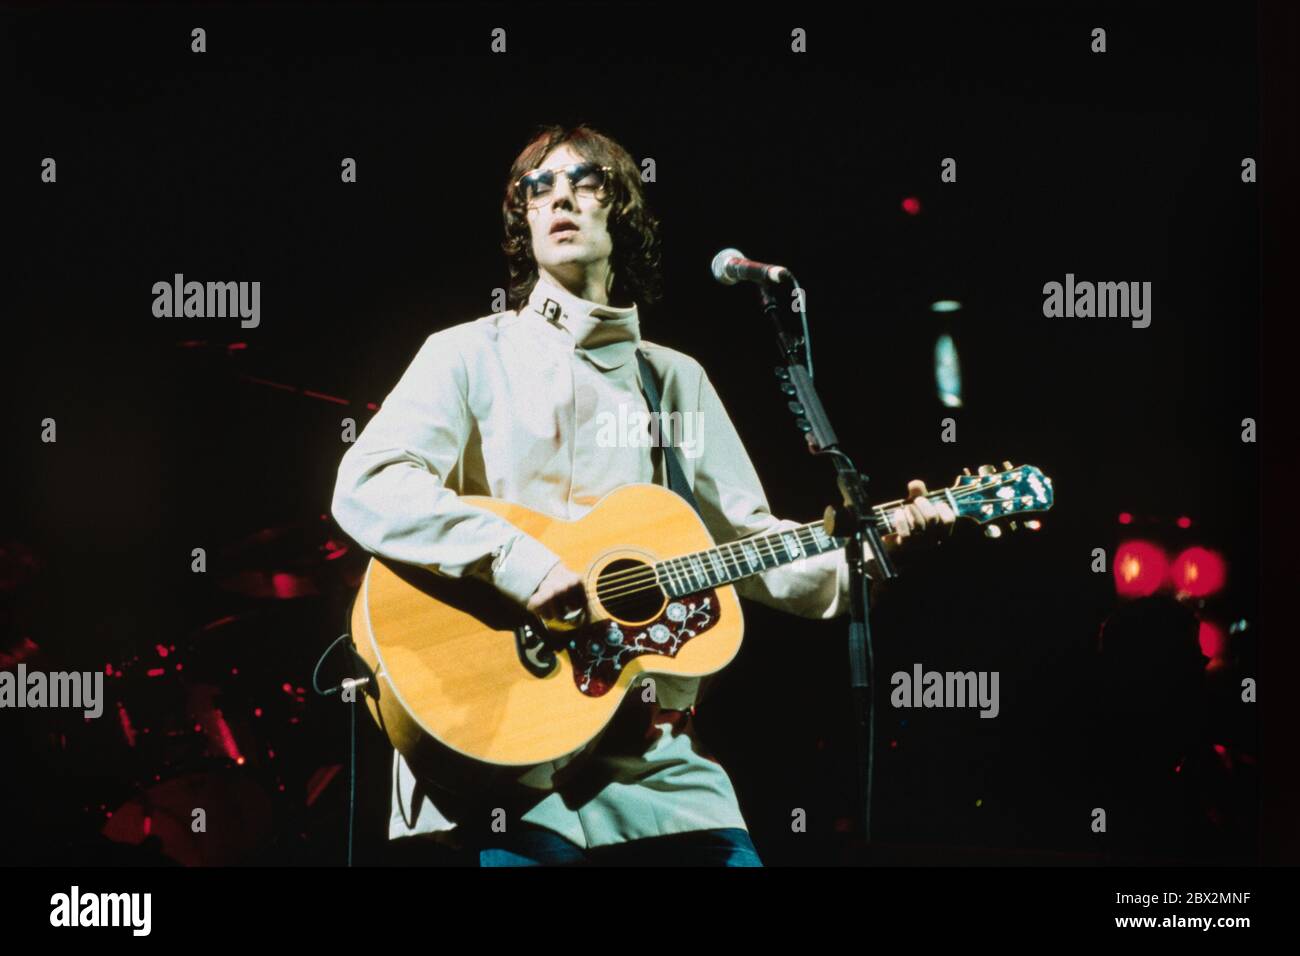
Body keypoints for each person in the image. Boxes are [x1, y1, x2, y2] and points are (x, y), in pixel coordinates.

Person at [330, 124, 954, 866]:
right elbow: (369, 482)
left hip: (650, 758)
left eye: (583, 181)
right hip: (494, 745)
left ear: (619, 210)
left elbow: (748, 546)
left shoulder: (672, 379)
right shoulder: (467, 355)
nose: (558, 196)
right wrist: (517, 563)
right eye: (538, 187)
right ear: (523, 220)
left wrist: (877, 552)